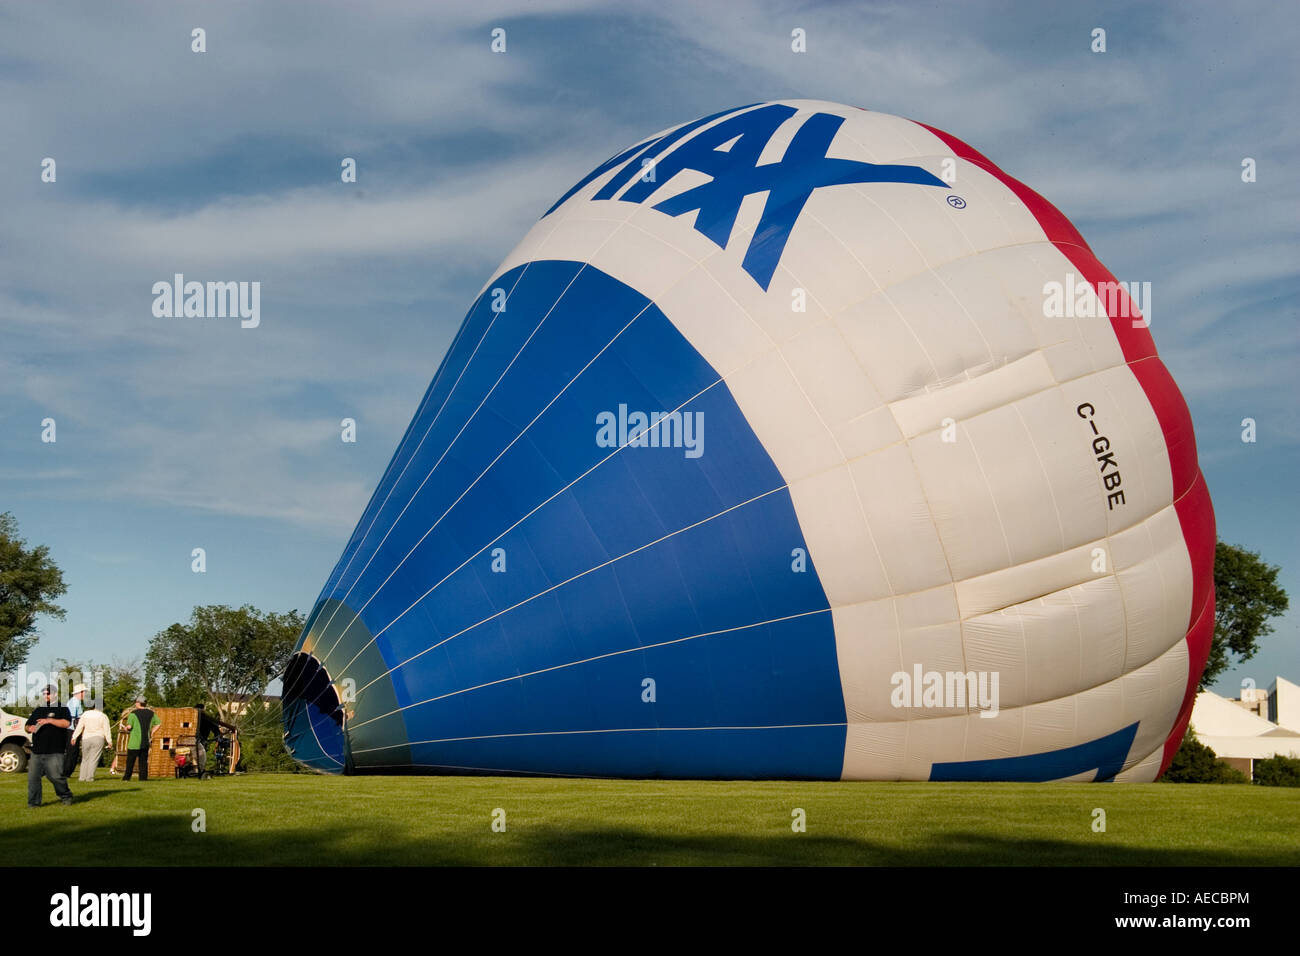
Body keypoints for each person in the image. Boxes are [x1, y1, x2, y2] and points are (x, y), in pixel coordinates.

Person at [24, 685, 73, 807]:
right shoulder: (39, 709)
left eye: (48, 693)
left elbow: (66, 723)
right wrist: (29, 728)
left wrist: (49, 721)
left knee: (55, 776)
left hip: (55, 750)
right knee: (33, 778)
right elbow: (27, 726)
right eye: (44, 694)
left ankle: (66, 795)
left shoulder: (62, 708)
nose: (46, 696)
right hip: (37, 750)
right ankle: (33, 804)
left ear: (55, 694)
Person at [70, 700, 112, 781]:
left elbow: (80, 726)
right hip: (98, 738)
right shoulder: (103, 716)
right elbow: (106, 729)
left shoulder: (85, 714)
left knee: (85, 759)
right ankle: (89, 777)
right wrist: (109, 741)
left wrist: (74, 737)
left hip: (86, 738)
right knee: (94, 759)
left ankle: (82, 777)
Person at [122, 697, 160, 782]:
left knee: (130, 762)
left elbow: (129, 727)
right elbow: (158, 724)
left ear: (138, 703)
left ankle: (126, 778)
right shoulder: (151, 713)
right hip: (145, 741)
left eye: (136, 702)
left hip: (134, 742)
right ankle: (143, 778)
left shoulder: (133, 714)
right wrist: (152, 732)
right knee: (143, 762)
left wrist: (125, 728)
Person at [62, 683, 86, 777]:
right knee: (72, 752)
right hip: (72, 730)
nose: (84, 694)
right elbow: (73, 718)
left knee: (70, 752)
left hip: (71, 730)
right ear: (79, 693)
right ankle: (66, 772)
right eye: (83, 692)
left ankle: (66, 771)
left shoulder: (74, 701)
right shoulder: (75, 702)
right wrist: (77, 732)